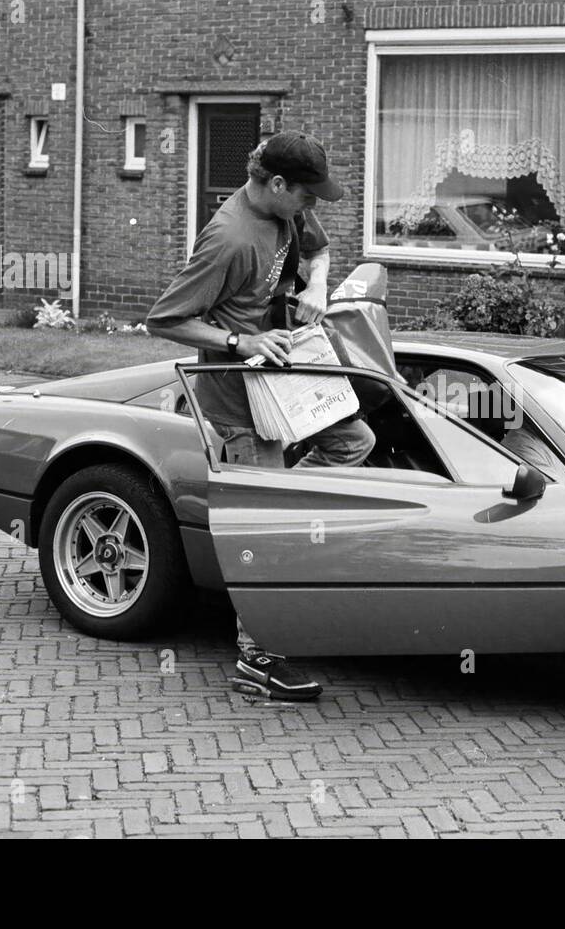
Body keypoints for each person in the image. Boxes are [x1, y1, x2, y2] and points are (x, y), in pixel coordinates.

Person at [146, 130, 374, 701]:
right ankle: (257, 658)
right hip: (236, 395)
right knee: (263, 526)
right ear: (276, 184)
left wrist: (317, 286)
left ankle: (277, 506)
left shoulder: (288, 214)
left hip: (285, 368)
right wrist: (236, 341)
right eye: (308, 196)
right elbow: (166, 319)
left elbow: (318, 251)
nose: (314, 206)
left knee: (355, 440)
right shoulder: (228, 239)